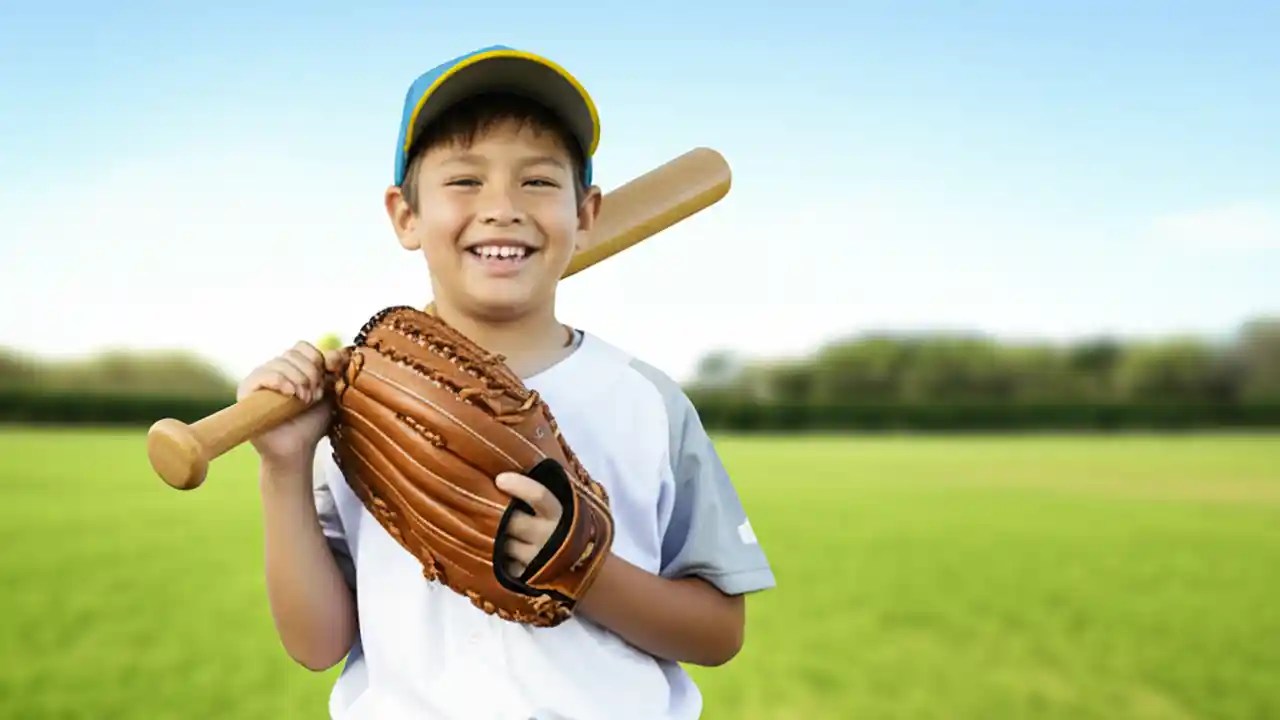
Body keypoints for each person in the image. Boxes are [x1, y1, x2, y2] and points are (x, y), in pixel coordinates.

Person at [236, 45, 776, 719]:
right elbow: (317, 645)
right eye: (464, 181)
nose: (502, 208)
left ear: (587, 215)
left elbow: (720, 633)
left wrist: (581, 569)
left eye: (539, 182)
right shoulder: (348, 413)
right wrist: (283, 471)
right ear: (405, 214)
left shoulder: (646, 402)